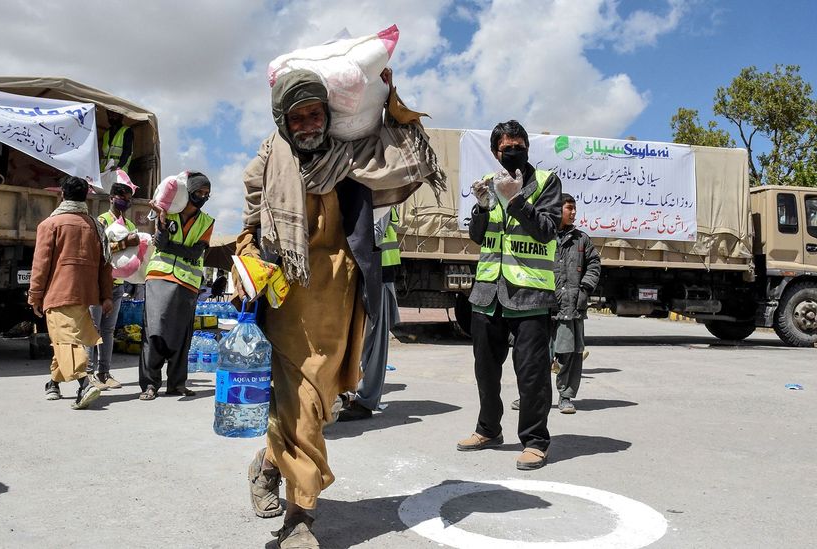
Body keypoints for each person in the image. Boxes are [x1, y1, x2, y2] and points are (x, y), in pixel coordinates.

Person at [236, 68, 444, 548]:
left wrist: (387, 95)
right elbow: (251, 222)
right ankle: (300, 518)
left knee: (320, 407)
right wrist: (247, 259)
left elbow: (408, 153)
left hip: (343, 301)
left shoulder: (352, 156)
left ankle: (268, 462)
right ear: (283, 121)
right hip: (290, 299)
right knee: (301, 404)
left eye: (316, 113)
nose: (309, 122)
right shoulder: (268, 163)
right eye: (298, 115)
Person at [457, 120, 562, 471]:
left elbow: (547, 231)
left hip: (529, 293)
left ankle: (535, 441)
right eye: (507, 148)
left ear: (528, 148)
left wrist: (515, 199)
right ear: (495, 152)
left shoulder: (546, 183)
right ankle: (488, 429)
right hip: (488, 293)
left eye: (519, 146)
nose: (513, 152)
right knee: (485, 370)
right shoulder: (490, 183)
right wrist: (483, 206)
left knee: (531, 373)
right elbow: (477, 236)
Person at [28, 175, 113, 410]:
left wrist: (34, 295)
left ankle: (85, 384)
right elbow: (106, 265)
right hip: (86, 296)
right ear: (85, 196)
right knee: (65, 339)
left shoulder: (50, 225)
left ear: (62, 195)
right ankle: (53, 383)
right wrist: (107, 296)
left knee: (66, 341)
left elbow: (41, 264)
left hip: (58, 294)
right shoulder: (96, 226)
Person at [138, 172, 214, 400]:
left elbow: (196, 251)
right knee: (154, 331)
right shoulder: (167, 212)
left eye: (206, 194)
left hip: (188, 284)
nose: (202, 196)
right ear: (187, 192)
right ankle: (150, 384)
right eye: (198, 192)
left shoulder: (207, 222)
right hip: (160, 278)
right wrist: (162, 223)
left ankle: (176, 384)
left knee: (182, 335)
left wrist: (170, 245)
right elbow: (160, 243)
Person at [337, 206, 402, 422]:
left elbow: (372, 233)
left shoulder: (381, 196)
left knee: (373, 342)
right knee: (353, 337)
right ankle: (348, 391)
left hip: (378, 274)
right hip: (364, 272)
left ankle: (365, 401)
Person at [549, 193, 601, 413]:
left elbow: (594, 264)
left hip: (571, 305)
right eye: (569, 208)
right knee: (535, 354)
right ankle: (531, 397)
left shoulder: (581, 239)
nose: (573, 212)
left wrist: (584, 289)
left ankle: (566, 396)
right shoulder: (543, 236)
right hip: (544, 304)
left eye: (574, 208)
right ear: (557, 209)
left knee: (569, 353)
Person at [87, 181, 141, 390]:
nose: (125, 202)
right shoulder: (102, 221)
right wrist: (125, 243)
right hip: (100, 284)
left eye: (128, 199)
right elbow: (99, 249)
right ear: (111, 198)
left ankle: (104, 373)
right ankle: (89, 373)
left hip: (118, 285)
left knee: (108, 330)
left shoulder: (128, 225)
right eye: (122, 198)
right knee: (93, 329)